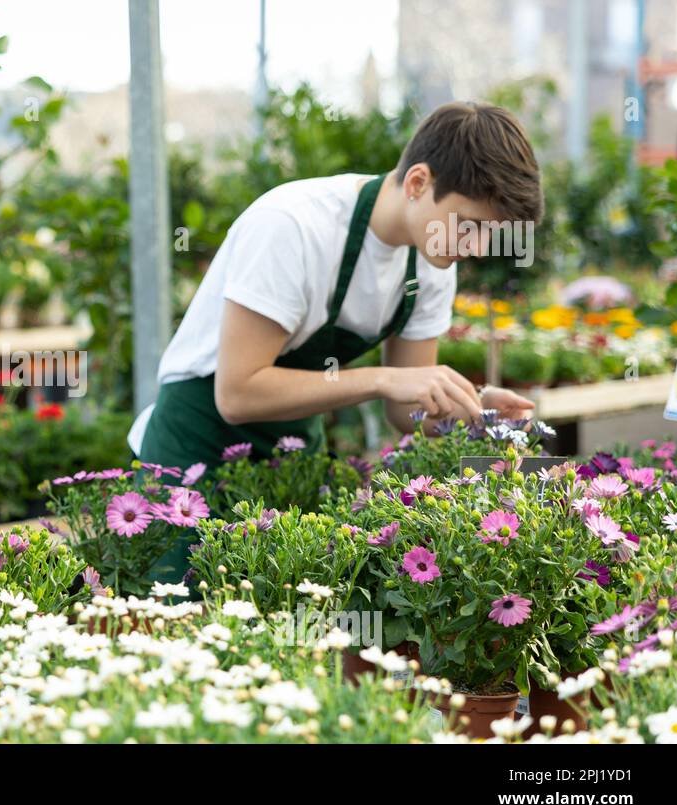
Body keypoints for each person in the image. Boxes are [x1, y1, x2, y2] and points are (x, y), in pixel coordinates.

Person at [130, 101, 544, 582]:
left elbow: (401, 414)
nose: (474, 248)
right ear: (417, 183)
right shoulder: (294, 227)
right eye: (467, 225)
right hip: (193, 447)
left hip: (290, 457)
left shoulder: (430, 264)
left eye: (488, 234)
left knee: (282, 624)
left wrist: (471, 410)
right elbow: (237, 394)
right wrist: (384, 378)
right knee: (180, 621)